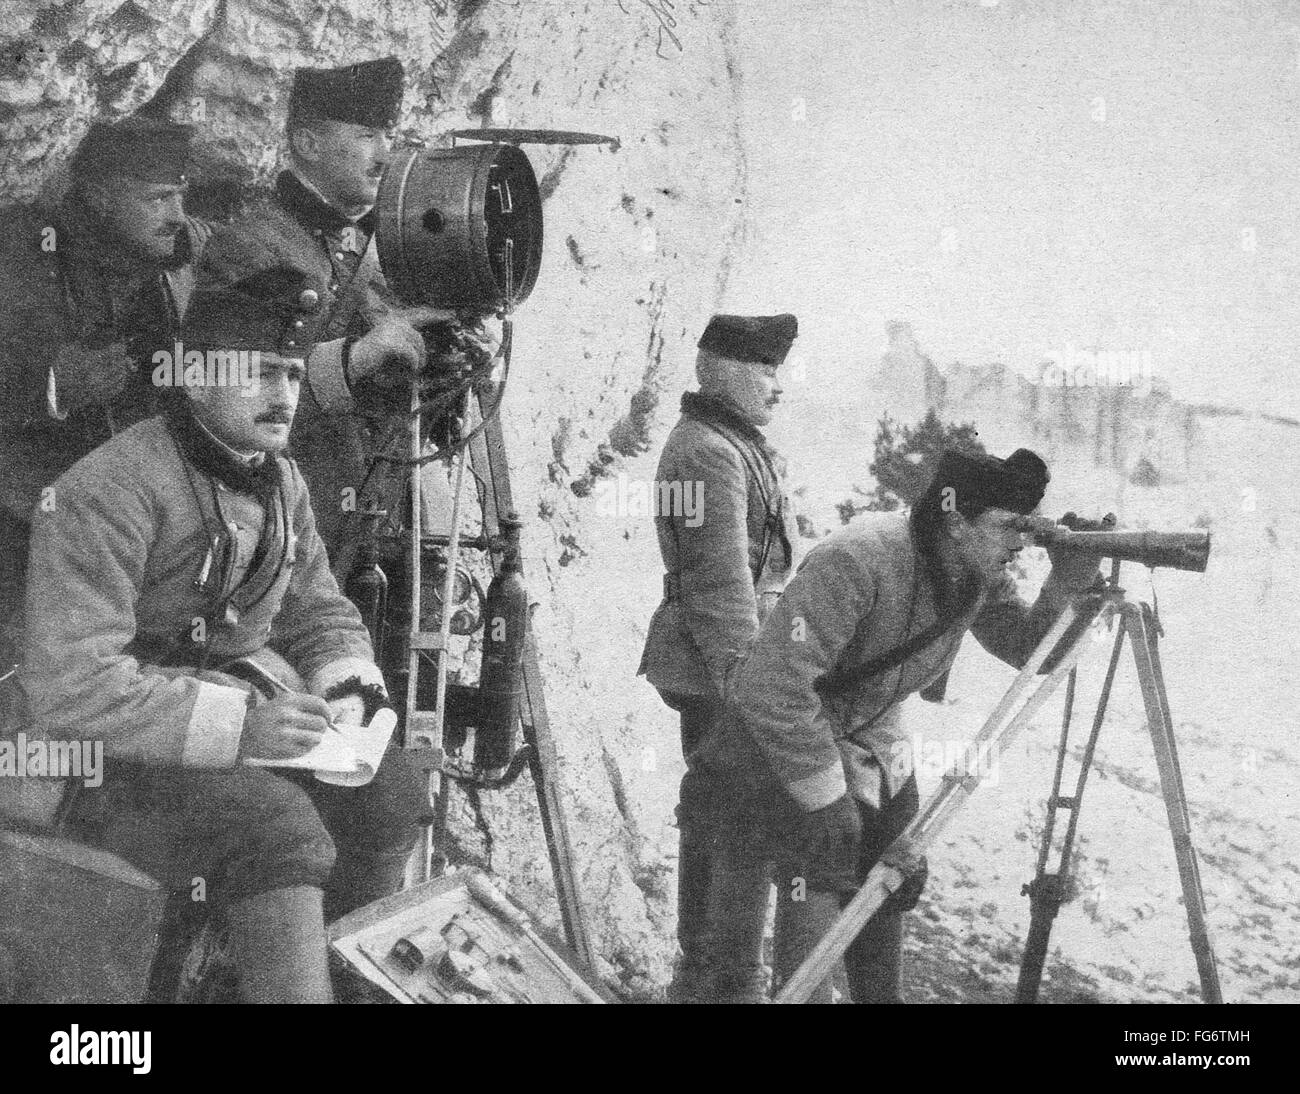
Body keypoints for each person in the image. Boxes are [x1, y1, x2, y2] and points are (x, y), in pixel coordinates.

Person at [16, 266, 425, 1003]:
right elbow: (72, 686)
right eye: (261, 373)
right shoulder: (108, 491)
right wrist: (242, 729)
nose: (284, 396)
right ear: (197, 380)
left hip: (216, 726)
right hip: (83, 756)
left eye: (295, 375)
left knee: (390, 791)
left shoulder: (279, 478)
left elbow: (316, 609)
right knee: (274, 828)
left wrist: (352, 699)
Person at [696, 448, 1105, 1002]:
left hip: (870, 738)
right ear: (956, 522)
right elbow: (774, 685)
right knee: (822, 860)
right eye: (1010, 527)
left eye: (1026, 529)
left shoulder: (969, 570)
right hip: (777, 738)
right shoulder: (859, 559)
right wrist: (826, 796)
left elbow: (1031, 649)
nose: (1020, 543)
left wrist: (1066, 585)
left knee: (894, 879)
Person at [197, 56, 467, 572]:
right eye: (367, 135)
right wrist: (357, 358)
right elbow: (221, 400)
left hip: (385, 528)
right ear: (308, 144)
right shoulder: (251, 247)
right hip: (285, 531)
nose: (385, 154)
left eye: (388, 135)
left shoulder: (392, 250)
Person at [637, 313, 803, 1002]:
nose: (778, 386)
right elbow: (720, 584)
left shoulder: (731, 442)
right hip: (716, 663)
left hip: (726, 657)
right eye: (767, 370)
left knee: (727, 808)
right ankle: (715, 973)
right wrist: (748, 686)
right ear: (727, 371)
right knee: (728, 811)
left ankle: (718, 969)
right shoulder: (708, 451)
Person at [0, 116, 209, 655]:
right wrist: (51, 387)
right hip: (24, 526)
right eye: (157, 199)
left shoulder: (175, 266)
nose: (176, 218)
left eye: (181, 198)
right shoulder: (23, 254)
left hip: (135, 530)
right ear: (98, 195)